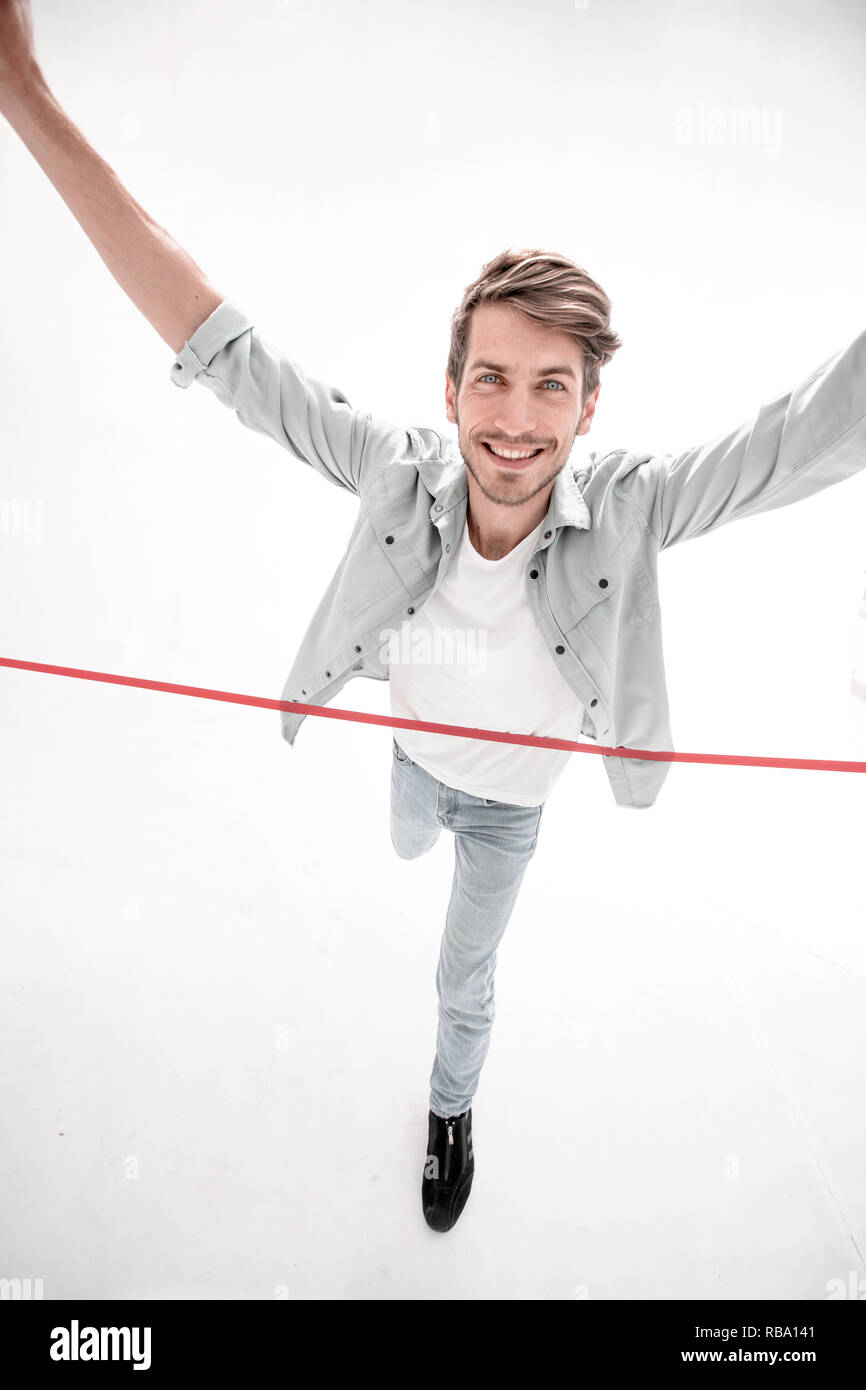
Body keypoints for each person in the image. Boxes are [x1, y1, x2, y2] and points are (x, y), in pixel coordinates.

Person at [3, 0, 866, 1237]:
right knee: (407, 838)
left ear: (588, 407)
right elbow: (220, 344)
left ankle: (450, 1105)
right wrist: (26, 97)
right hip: (411, 764)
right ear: (449, 384)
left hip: (513, 808)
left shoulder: (632, 509)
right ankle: (414, 822)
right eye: (491, 378)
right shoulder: (395, 469)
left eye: (549, 388)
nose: (514, 419)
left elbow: (803, 437)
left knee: (465, 977)